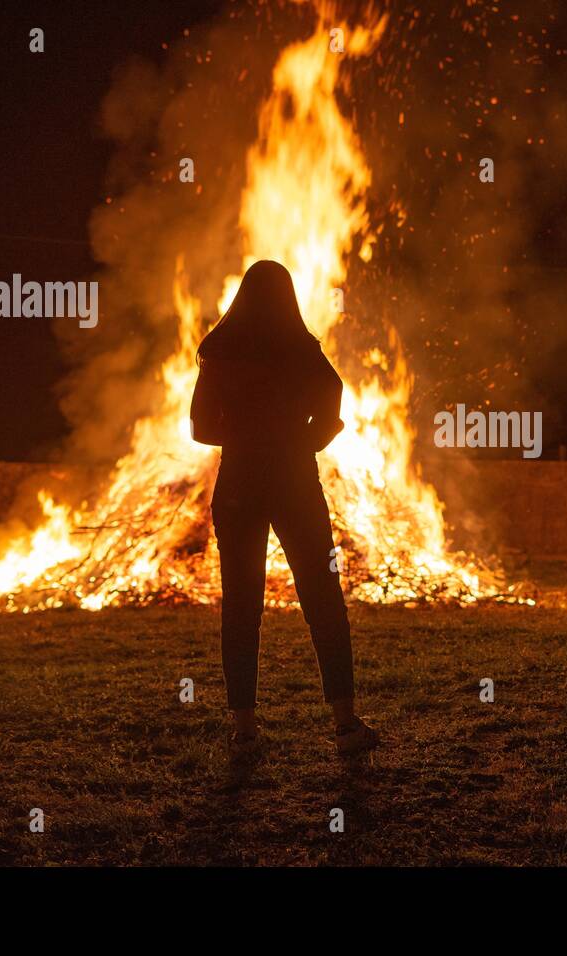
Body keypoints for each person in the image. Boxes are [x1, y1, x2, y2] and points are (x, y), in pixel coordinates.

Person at [191, 259, 378, 759]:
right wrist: (312, 435)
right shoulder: (301, 346)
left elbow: (200, 428)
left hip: (239, 486)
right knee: (323, 599)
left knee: (241, 606)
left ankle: (244, 732)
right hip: (295, 480)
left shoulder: (218, 350)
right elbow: (334, 392)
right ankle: (344, 724)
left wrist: (246, 435)